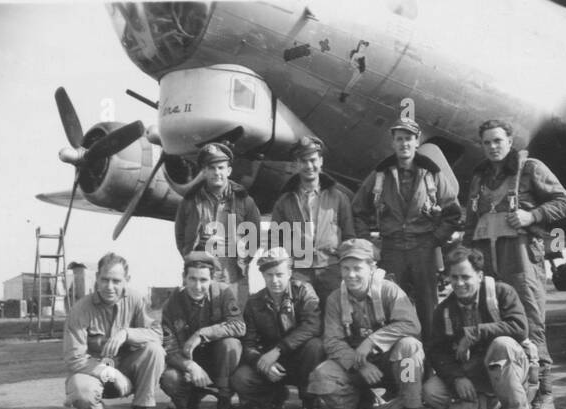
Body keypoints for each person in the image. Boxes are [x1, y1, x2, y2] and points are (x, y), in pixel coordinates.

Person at [464, 119, 566, 409]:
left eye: (498, 141)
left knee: (530, 322)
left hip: (522, 258)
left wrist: (531, 215)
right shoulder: (479, 178)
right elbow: (471, 224)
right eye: (486, 142)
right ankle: (506, 393)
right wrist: (464, 261)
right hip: (487, 259)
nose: (492, 147)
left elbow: (564, 202)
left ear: (510, 141)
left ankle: (545, 395)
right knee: (492, 321)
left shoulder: (531, 168)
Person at [351, 117, 462, 342]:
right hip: (391, 250)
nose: (404, 144)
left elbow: (453, 213)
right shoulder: (380, 174)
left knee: (428, 308)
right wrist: (369, 247)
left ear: (417, 141)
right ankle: (396, 355)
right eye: (399, 139)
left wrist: (435, 240)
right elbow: (358, 210)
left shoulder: (432, 173)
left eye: (409, 139)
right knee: (390, 306)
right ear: (392, 142)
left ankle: (431, 358)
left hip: (424, 248)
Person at [308, 239, 427, 409]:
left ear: (372, 268)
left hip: (392, 364)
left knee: (409, 347)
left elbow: (411, 325)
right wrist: (359, 364)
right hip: (359, 367)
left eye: (357, 268)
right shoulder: (336, 298)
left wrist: (372, 341)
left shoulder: (389, 290)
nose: (351, 274)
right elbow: (332, 341)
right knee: (322, 376)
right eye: (345, 268)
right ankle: (364, 406)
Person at [423, 247, 537, 409]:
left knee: (502, 344)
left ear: (480, 275)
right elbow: (437, 351)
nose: (459, 283)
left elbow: (519, 328)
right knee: (431, 392)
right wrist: (457, 378)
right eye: (454, 277)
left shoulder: (502, 292)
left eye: (466, 277)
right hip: (474, 370)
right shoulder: (444, 309)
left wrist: (474, 333)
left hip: (511, 368)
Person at [61, 252, 166, 409]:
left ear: (127, 280)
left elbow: (157, 334)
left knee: (154, 350)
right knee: (81, 392)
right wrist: (110, 373)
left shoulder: (136, 299)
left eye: (116, 281)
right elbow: (74, 359)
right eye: (105, 280)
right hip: (94, 375)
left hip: (128, 373)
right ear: (97, 279)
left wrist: (127, 333)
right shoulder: (80, 310)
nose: (110, 287)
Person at [231, 247, 325, 409]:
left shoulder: (304, 291)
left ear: (289, 273)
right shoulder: (254, 303)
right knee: (240, 378)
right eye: (269, 275)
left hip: (300, 359)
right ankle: (274, 398)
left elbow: (313, 326)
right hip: (272, 362)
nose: (274, 280)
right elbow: (248, 343)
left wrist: (279, 349)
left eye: (279, 274)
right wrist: (262, 362)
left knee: (315, 346)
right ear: (263, 276)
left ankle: (309, 403)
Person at [158, 251, 246, 409]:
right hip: (190, 365)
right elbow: (170, 349)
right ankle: (188, 402)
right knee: (169, 378)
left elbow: (239, 326)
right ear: (184, 278)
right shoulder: (172, 304)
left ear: (212, 279)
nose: (197, 286)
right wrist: (190, 366)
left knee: (232, 344)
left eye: (204, 280)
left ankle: (224, 402)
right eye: (192, 279)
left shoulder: (223, 293)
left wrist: (201, 334)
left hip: (219, 363)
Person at [173, 142, 262, 307]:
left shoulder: (245, 202)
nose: (217, 172)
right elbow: (180, 237)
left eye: (221, 168)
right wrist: (195, 257)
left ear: (228, 170)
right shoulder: (190, 202)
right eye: (211, 168)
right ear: (204, 171)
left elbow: (254, 238)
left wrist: (240, 257)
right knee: (198, 323)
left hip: (233, 275)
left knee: (235, 324)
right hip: (202, 275)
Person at [269, 135, 356, 303]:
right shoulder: (284, 202)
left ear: (321, 161)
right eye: (303, 161)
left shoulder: (339, 198)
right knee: (304, 318)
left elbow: (349, 235)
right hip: (299, 272)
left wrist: (345, 268)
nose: (309, 166)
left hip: (331, 270)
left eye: (313, 160)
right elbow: (275, 240)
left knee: (336, 318)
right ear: (296, 164)